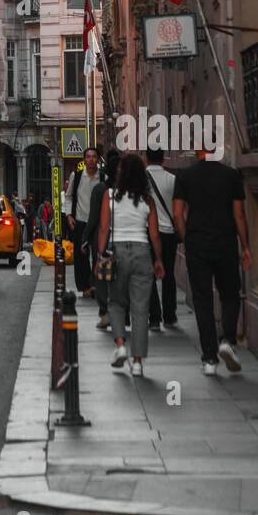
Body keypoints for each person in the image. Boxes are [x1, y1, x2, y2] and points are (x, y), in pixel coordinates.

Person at [173, 146, 251, 375]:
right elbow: (239, 215)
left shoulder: (185, 176)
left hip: (198, 243)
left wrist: (187, 238)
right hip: (225, 242)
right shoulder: (231, 175)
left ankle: (209, 358)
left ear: (197, 148)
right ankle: (227, 339)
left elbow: (178, 213)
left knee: (202, 299)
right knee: (230, 293)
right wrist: (245, 246)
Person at [97, 153, 164, 376]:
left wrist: (99, 257)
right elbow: (154, 235)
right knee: (140, 310)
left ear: (120, 173)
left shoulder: (110, 196)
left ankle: (120, 346)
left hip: (117, 253)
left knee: (116, 303)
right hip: (142, 252)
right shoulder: (147, 199)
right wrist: (159, 260)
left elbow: (104, 229)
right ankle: (137, 363)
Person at [84, 149, 120, 329]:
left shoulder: (100, 190)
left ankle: (105, 311)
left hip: (105, 240)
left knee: (102, 277)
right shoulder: (131, 190)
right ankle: (121, 314)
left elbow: (95, 219)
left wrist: (86, 239)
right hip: (126, 241)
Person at [145, 148, 178, 330]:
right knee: (169, 274)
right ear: (163, 159)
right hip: (169, 233)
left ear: (147, 158)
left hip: (148, 232)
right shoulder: (172, 179)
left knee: (149, 275)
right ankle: (170, 315)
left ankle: (155, 318)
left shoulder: (141, 180)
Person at [66, 147, 104, 298]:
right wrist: (69, 215)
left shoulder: (103, 177)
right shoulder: (77, 176)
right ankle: (85, 286)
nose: (91, 160)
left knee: (98, 255)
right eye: (88, 157)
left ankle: (96, 285)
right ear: (84, 160)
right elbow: (68, 196)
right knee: (80, 257)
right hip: (80, 221)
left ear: (98, 159)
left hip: (98, 223)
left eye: (94, 157)